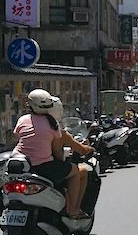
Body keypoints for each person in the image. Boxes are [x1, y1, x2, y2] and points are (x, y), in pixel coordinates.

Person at [11, 89, 87, 219]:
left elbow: (16, 137)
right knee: (76, 171)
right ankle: (74, 210)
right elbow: (57, 151)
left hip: (18, 164)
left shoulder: (22, 120)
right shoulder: (53, 124)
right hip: (42, 166)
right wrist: (61, 162)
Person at [50, 96, 95, 213]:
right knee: (80, 171)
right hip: (47, 166)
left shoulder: (26, 122)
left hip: (28, 166)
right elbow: (58, 152)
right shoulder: (56, 130)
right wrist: (89, 148)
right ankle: (74, 209)